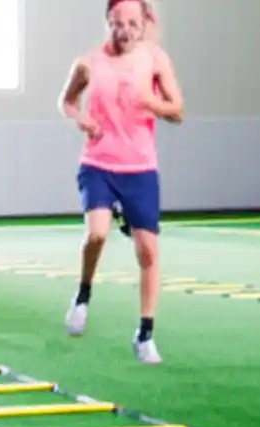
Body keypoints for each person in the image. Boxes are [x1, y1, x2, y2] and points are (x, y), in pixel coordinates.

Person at [59, 0, 181, 364]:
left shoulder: (156, 60)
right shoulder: (88, 62)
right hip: (97, 163)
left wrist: (152, 103)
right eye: (117, 23)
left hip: (140, 168)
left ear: (143, 24)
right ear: (107, 23)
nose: (124, 30)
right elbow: (65, 101)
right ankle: (82, 296)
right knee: (96, 234)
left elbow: (178, 110)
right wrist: (79, 118)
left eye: (131, 23)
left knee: (147, 251)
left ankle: (145, 334)